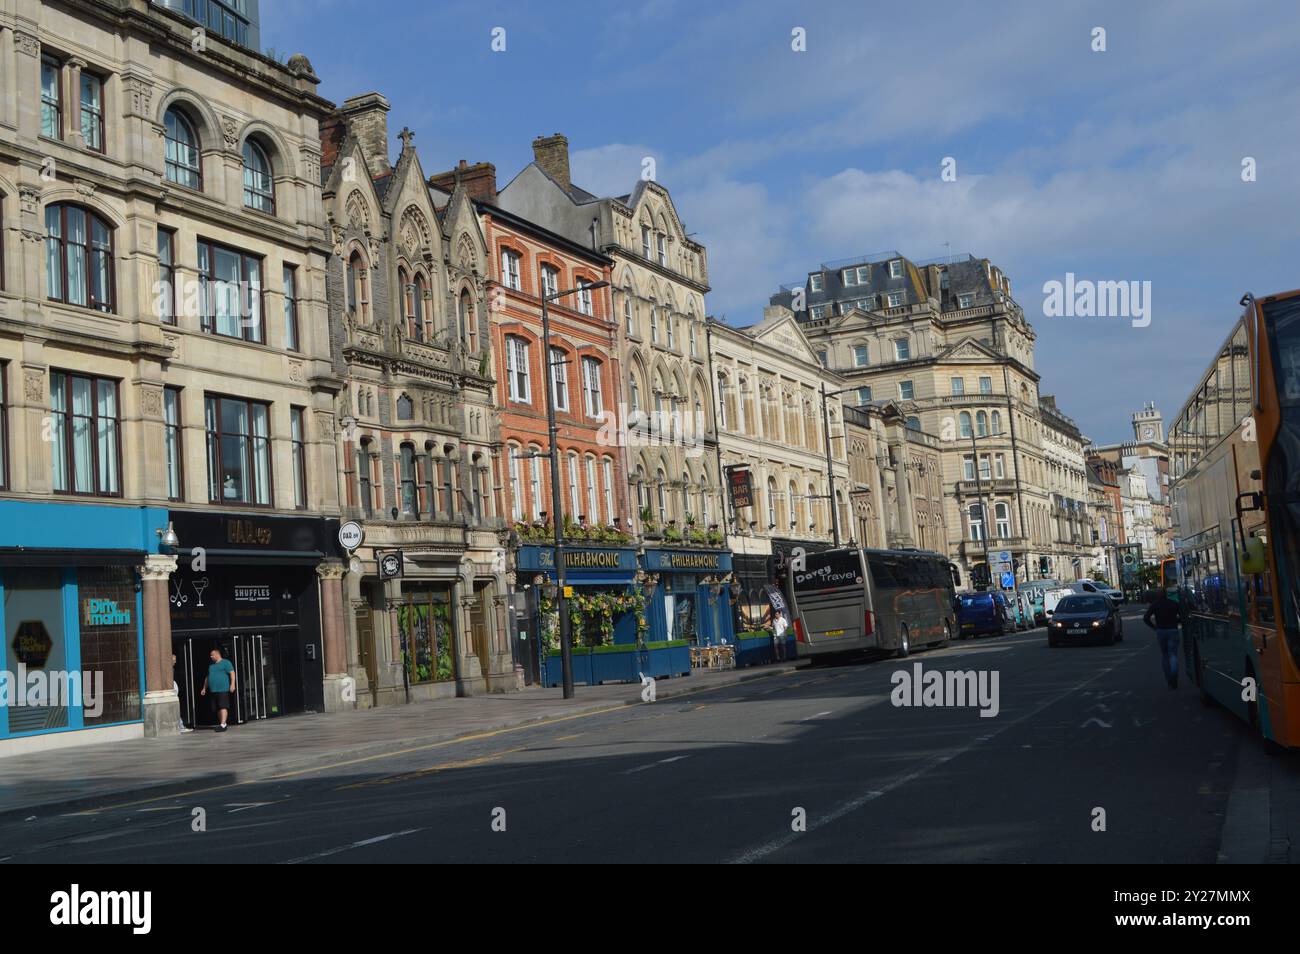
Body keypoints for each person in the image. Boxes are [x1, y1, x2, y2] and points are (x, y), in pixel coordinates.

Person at [1143, 591, 1183, 688]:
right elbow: (1183, 616)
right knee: (1172, 654)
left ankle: (1169, 678)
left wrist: (1154, 627)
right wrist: (1177, 621)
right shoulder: (1173, 604)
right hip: (1173, 630)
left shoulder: (1155, 605)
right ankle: (1174, 672)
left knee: (1165, 655)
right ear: (1166, 595)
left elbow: (1146, 618)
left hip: (1161, 631)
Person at [200, 647, 236, 731]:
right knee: (217, 708)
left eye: (212, 655)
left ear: (217, 654)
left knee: (223, 706)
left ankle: (223, 724)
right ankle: (222, 724)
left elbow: (232, 673)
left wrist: (232, 684)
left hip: (223, 689)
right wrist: (204, 688)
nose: (211, 657)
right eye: (210, 655)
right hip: (213, 690)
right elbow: (208, 677)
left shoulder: (226, 663)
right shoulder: (211, 665)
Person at [172, 652, 193, 733]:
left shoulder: (172, 669)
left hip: (174, 692)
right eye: (174, 660)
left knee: (176, 709)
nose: (175, 662)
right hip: (172, 693)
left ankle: (180, 726)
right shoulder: (169, 669)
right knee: (175, 709)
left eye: (175, 660)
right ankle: (180, 726)